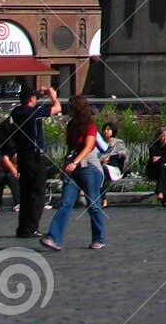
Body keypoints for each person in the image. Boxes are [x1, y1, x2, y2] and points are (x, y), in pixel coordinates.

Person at [40, 95, 106, 251]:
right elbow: (71, 148)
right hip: (73, 168)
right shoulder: (71, 125)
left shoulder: (90, 126)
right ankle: (53, 237)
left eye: (71, 107)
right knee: (65, 202)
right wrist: (67, 164)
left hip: (89, 167)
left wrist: (75, 162)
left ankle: (99, 238)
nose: (69, 110)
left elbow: (89, 146)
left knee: (93, 205)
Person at [10, 85, 61, 238]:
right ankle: (32, 227)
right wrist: (53, 96)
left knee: (25, 193)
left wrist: (37, 93)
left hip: (23, 157)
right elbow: (57, 108)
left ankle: (23, 227)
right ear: (31, 99)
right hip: (35, 157)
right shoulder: (33, 113)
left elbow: (29, 102)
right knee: (37, 193)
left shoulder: (17, 112)